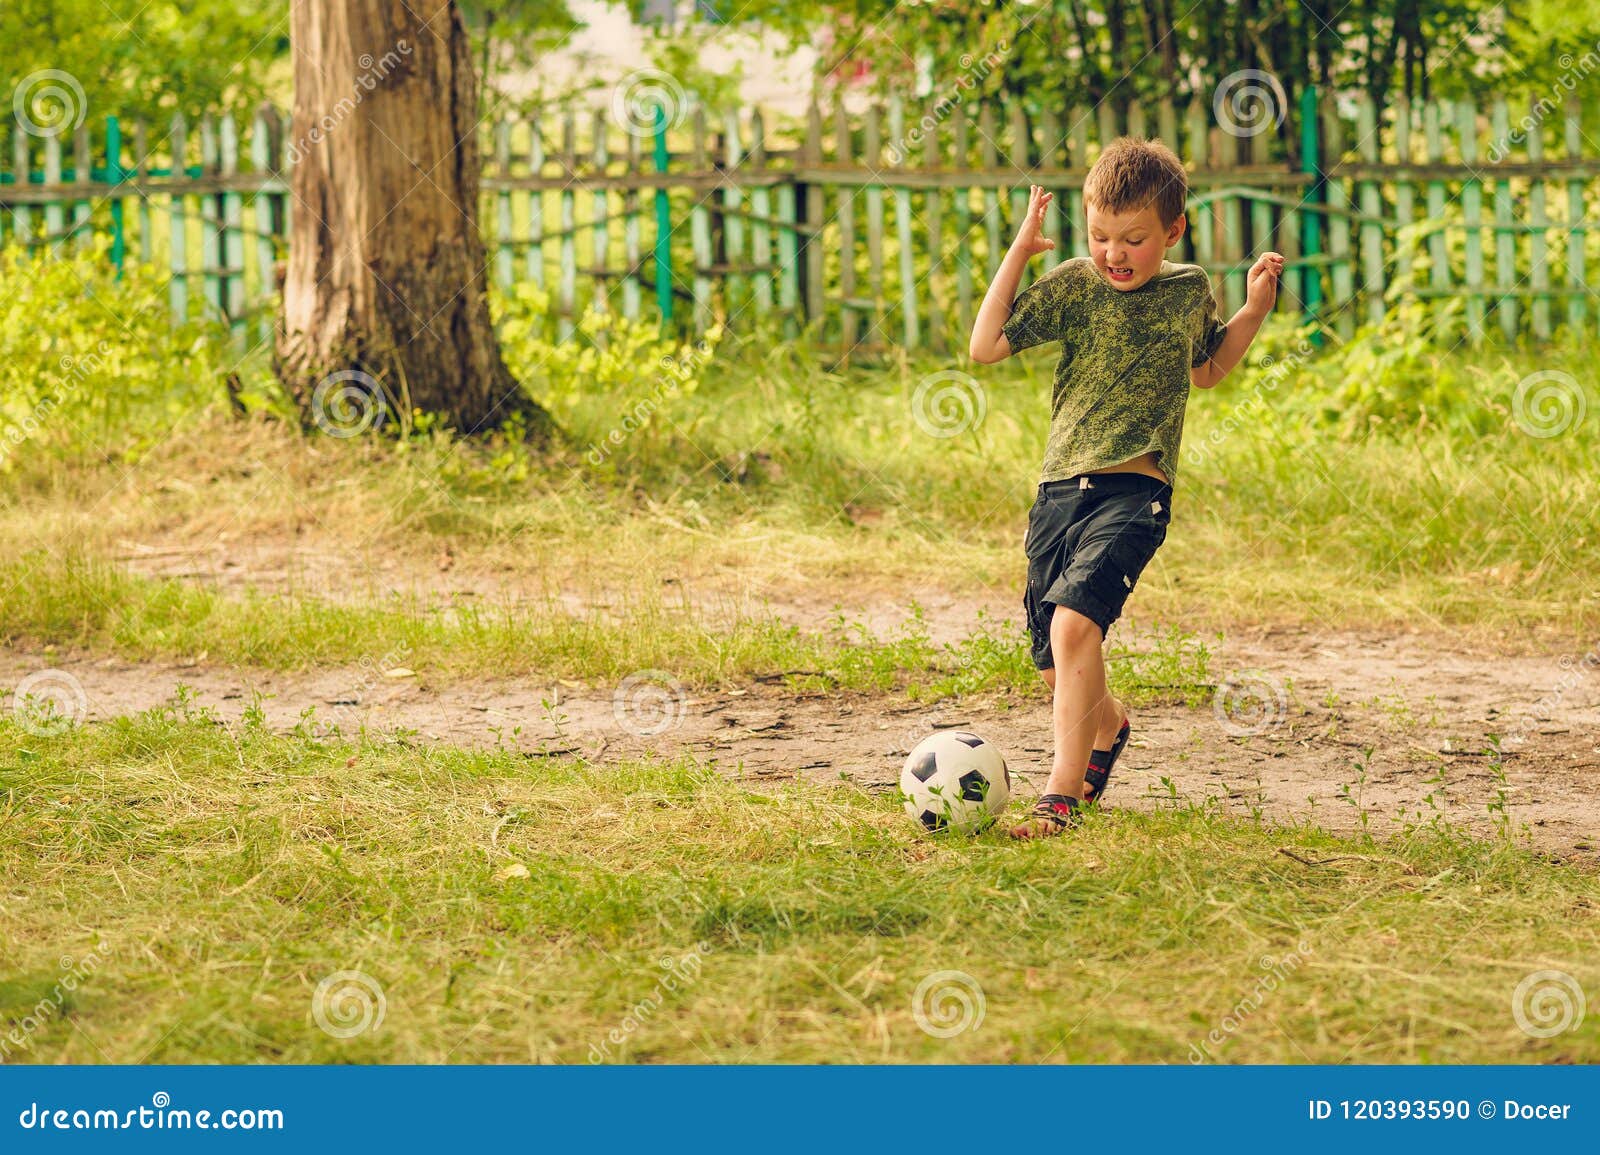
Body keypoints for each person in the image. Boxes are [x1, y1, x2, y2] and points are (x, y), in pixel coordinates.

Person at [967, 136, 1284, 839]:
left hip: (1135, 494)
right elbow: (985, 346)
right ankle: (1107, 724)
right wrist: (1020, 251)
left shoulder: (1187, 290)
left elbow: (1205, 369)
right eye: (1100, 235)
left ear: (1172, 231)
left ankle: (1060, 795)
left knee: (1075, 625)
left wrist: (1254, 311)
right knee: (1057, 668)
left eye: (1134, 239)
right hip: (1058, 493)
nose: (1114, 252)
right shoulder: (1077, 285)